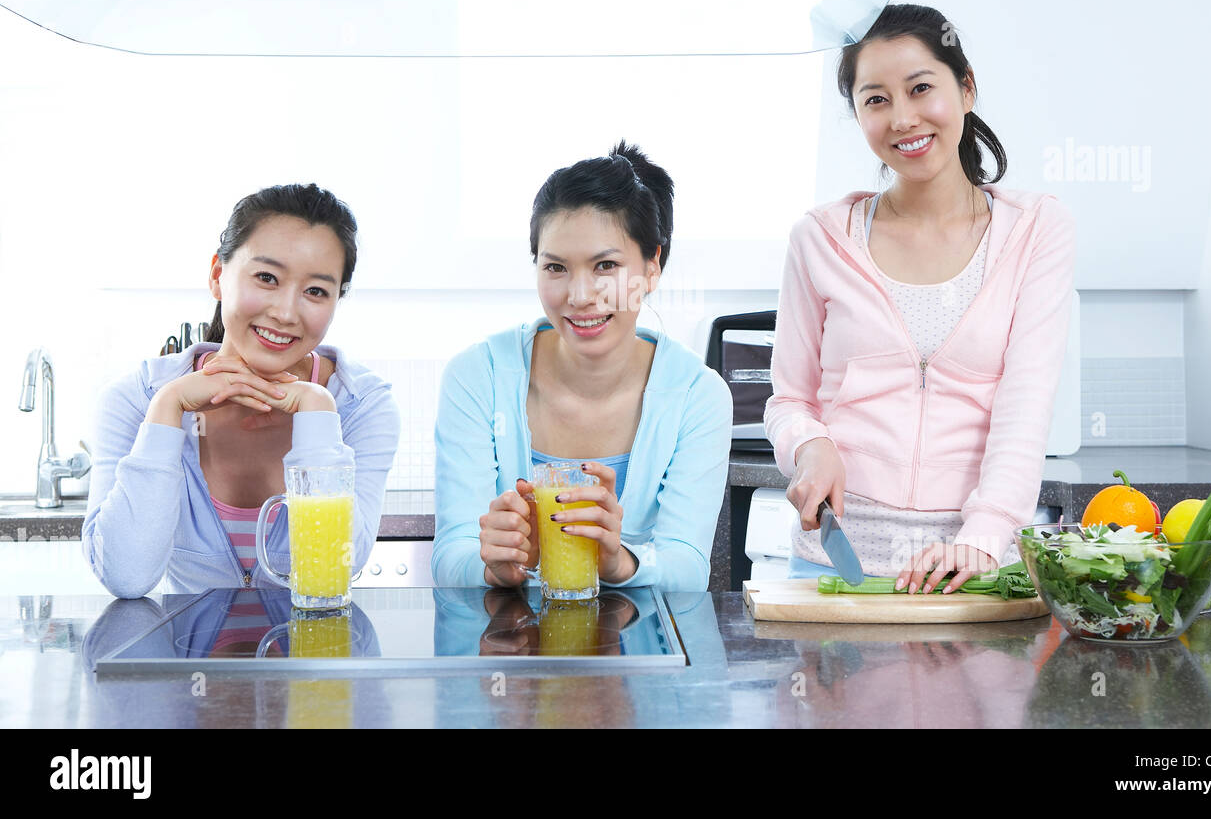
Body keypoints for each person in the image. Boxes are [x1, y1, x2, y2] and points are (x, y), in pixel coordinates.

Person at [765, 4, 1076, 595]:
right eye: (876, 99)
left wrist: (982, 536)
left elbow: (1026, 404)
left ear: (966, 88)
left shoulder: (1038, 229)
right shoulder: (820, 237)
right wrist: (811, 446)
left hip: (974, 564)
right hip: (836, 562)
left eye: (920, 88)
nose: (902, 118)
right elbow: (788, 400)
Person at [432, 142, 732, 592]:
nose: (579, 295)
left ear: (653, 266)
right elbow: (450, 556)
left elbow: (687, 569)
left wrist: (617, 562)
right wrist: (495, 565)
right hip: (508, 653)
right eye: (555, 267)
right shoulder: (478, 376)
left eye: (605, 265)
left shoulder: (697, 395)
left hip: (638, 654)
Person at [84, 184, 400, 599]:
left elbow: (328, 578)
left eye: (316, 291)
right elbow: (126, 577)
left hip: (312, 657)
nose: (286, 313)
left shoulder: (361, 406)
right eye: (266, 277)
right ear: (218, 276)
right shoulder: (138, 397)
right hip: (188, 660)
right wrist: (166, 408)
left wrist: (318, 413)